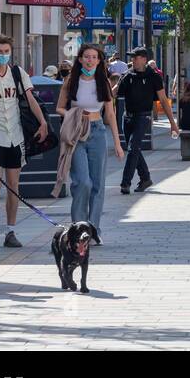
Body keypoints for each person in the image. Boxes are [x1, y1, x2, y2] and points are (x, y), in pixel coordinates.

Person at [0, 34, 49, 248]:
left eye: (6, 51)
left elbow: (31, 99)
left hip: (15, 136)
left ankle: (11, 231)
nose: (3, 55)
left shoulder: (17, 73)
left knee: (14, 186)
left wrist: (43, 121)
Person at [56, 43, 123, 238]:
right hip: (77, 132)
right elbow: (59, 107)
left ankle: (93, 229)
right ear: (79, 59)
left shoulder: (103, 82)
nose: (90, 60)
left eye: (94, 57)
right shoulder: (71, 80)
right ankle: (78, 227)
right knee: (82, 181)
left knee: (97, 184)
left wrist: (117, 144)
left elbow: (110, 114)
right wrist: (73, 113)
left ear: (99, 60)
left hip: (98, 131)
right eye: (87, 56)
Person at [116, 48, 177, 195]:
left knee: (132, 148)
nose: (133, 61)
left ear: (144, 59)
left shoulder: (154, 76)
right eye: (132, 58)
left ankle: (125, 183)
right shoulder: (127, 75)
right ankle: (145, 178)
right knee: (134, 149)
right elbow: (114, 92)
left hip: (143, 116)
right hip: (127, 117)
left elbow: (163, 100)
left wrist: (172, 123)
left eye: (135, 58)